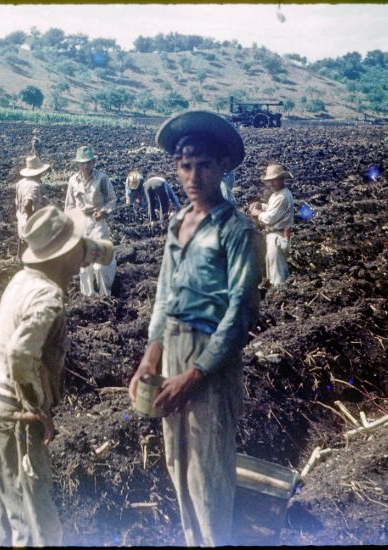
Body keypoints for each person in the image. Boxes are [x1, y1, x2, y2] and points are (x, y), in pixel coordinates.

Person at [128, 110, 262, 546]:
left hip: (211, 360)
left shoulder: (236, 229)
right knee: (177, 462)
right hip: (173, 351)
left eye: (204, 164)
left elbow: (239, 313)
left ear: (223, 165)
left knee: (208, 474)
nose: (193, 174)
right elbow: (164, 294)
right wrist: (152, 354)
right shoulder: (175, 223)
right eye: (185, 165)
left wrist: (196, 373)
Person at [0, 206, 114, 546]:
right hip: (15, 418)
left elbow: (95, 252)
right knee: (33, 524)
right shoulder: (47, 296)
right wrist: (37, 407)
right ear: (64, 255)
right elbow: (20, 355)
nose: (83, 252)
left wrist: (99, 250)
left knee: (2, 513)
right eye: (77, 247)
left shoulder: (25, 278)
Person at [64, 145, 118, 296]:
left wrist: (104, 211)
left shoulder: (102, 178)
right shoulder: (73, 181)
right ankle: (89, 299)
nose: (86, 166)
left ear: (94, 162)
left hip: (98, 224)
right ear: (78, 164)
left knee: (100, 265)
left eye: (88, 162)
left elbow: (112, 200)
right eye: (82, 163)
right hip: (81, 226)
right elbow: (68, 207)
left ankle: (105, 295)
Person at [249, 164, 295, 286]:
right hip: (273, 235)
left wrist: (257, 213)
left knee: (277, 271)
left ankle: (280, 293)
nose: (271, 184)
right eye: (269, 181)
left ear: (281, 179)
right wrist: (261, 206)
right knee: (272, 266)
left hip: (278, 236)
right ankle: (277, 292)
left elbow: (270, 218)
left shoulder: (283, 196)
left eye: (274, 180)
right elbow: (271, 209)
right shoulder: (277, 195)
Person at [15, 155, 51, 239]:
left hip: (21, 222)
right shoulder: (34, 186)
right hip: (30, 227)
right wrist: (32, 221)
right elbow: (27, 204)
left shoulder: (20, 183)